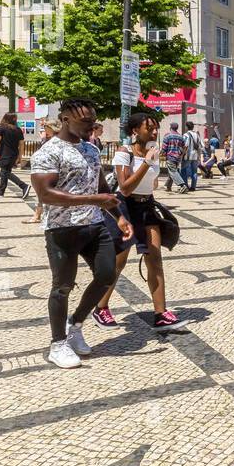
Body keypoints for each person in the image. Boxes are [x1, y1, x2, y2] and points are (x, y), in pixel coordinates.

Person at [29, 98, 133, 369]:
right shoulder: (48, 152)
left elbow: (100, 187)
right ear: (65, 119)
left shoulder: (91, 150)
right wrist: (93, 199)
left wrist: (119, 216)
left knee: (107, 274)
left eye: (93, 121)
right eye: (85, 121)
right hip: (62, 228)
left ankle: (75, 325)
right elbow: (45, 193)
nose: (91, 126)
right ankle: (57, 344)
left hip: (95, 224)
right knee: (62, 286)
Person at [92, 112, 186, 332]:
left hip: (146, 206)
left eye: (156, 128)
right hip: (124, 206)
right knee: (118, 261)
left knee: (155, 258)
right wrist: (147, 163)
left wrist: (150, 175)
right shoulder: (124, 153)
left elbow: (150, 183)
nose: (154, 132)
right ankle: (101, 307)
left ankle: (161, 314)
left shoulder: (152, 152)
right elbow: (124, 187)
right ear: (135, 131)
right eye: (149, 128)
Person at [0, 112, 31, 200]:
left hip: (5, 154)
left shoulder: (1, 128)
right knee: (4, 172)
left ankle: (24, 186)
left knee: (5, 172)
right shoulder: (18, 130)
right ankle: (0, 191)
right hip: (14, 155)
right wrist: (20, 157)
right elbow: (21, 144)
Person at [27, 121, 59, 223]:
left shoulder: (57, 140)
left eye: (46, 128)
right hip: (43, 171)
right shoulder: (47, 139)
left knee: (45, 195)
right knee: (41, 195)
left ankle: (40, 216)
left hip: (51, 171)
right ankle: (37, 215)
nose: (44, 131)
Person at [161, 123, 187, 193]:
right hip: (177, 157)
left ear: (171, 127)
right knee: (172, 171)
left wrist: (162, 154)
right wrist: (181, 154)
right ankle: (168, 186)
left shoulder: (167, 135)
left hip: (170, 156)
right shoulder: (180, 136)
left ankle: (182, 185)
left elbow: (164, 147)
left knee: (173, 171)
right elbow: (184, 147)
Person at [182, 122, 203, 191]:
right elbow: (200, 146)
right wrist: (199, 156)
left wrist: (182, 154)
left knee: (183, 170)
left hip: (188, 156)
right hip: (195, 156)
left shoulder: (186, 135)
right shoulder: (197, 135)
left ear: (187, 127)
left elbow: (185, 145)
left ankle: (186, 185)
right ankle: (193, 186)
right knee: (194, 171)